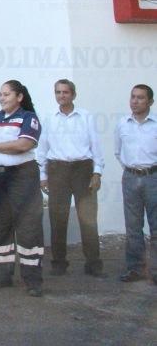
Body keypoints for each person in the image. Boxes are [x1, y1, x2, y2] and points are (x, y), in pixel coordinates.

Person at [0, 80, 43, 296]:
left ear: (19, 97)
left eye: (6, 94)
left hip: (21, 177)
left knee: (28, 227)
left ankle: (32, 280)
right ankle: (1, 275)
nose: (1, 98)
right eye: (0, 94)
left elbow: (24, 145)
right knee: (0, 225)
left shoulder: (29, 118)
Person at [35, 79, 105, 277]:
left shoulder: (86, 117)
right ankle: (58, 263)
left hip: (83, 170)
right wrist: (43, 176)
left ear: (73, 94)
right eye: (58, 92)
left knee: (88, 219)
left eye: (65, 92)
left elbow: (95, 145)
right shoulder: (50, 118)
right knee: (58, 219)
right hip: (57, 171)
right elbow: (43, 148)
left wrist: (97, 172)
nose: (61, 96)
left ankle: (93, 264)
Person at [115, 84, 156, 285]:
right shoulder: (122, 124)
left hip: (153, 178)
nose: (135, 101)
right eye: (132, 97)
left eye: (140, 98)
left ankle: (155, 271)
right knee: (133, 227)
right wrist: (132, 169)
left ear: (150, 102)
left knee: (156, 226)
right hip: (130, 177)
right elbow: (118, 151)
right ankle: (135, 268)